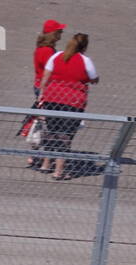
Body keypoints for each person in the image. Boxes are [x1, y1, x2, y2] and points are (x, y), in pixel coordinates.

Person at [38, 33, 99, 180]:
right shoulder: (85, 60)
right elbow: (93, 78)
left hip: (53, 97)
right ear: (84, 46)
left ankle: (46, 163)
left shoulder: (57, 56)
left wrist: (42, 93)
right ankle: (59, 171)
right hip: (72, 101)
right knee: (66, 134)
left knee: (52, 130)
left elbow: (46, 75)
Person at [28, 19, 66, 171]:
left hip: (39, 87)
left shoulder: (41, 49)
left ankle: (36, 156)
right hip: (47, 90)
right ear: (53, 34)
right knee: (49, 126)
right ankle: (42, 159)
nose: (61, 33)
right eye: (59, 31)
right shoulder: (48, 51)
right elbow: (51, 72)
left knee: (43, 123)